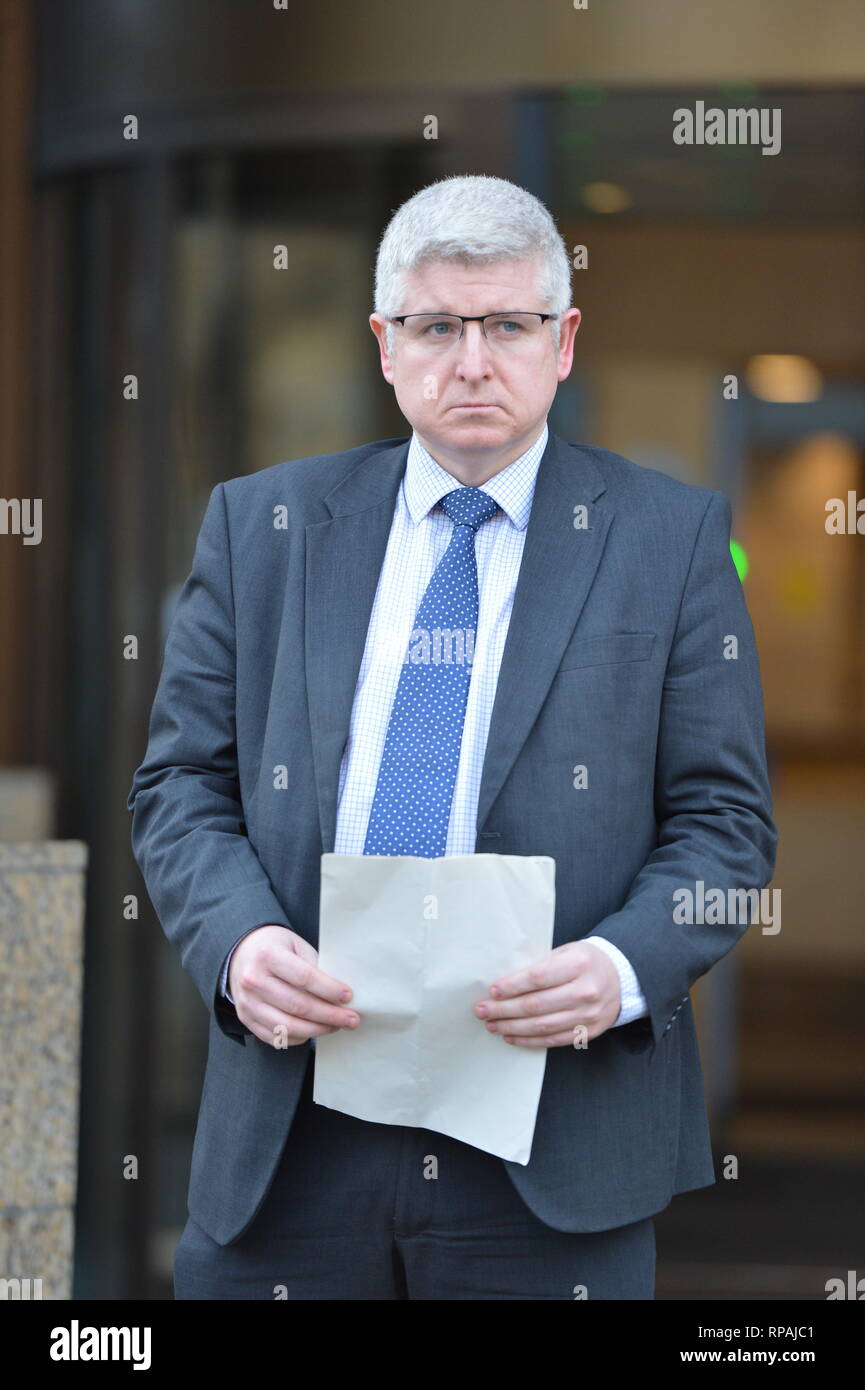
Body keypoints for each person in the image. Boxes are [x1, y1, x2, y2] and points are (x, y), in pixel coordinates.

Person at [128, 173, 777, 1300]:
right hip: (293, 1131)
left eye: (508, 325)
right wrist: (236, 946)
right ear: (384, 344)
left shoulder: (670, 541)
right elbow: (181, 782)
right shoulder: (262, 524)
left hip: (552, 1135)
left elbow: (723, 826)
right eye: (436, 326)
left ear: (562, 341)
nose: (471, 361)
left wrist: (621, 969)